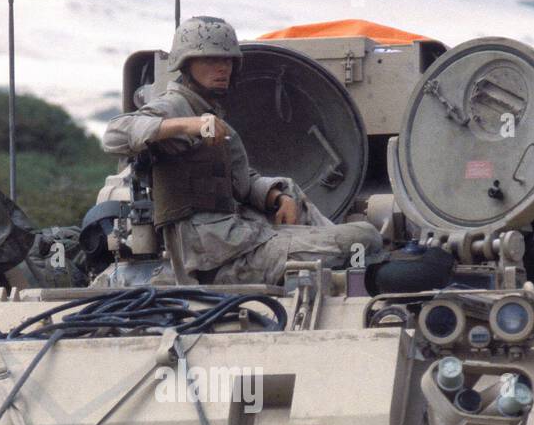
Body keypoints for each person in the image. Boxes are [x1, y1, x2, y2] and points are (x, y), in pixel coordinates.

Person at [102, 15, 383, 286]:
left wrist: (276, 196)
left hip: (242, 242)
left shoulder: (213, 116)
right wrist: (188, 125)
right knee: (363, 238)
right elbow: (115, 134)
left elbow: (240, 182)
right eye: (211, 59)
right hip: (218, 262)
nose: (223, 68)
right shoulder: (175, 106)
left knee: (306, 202)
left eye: (227, 60)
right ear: (186, 65)